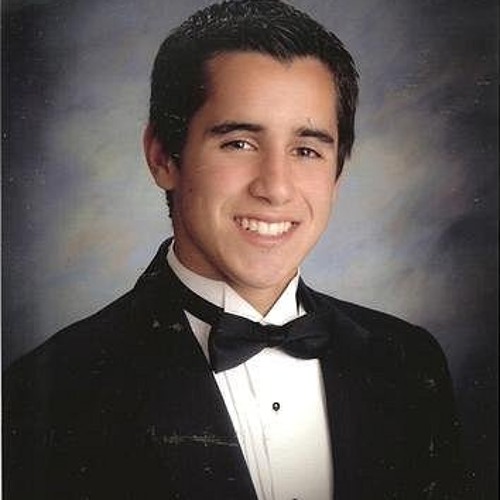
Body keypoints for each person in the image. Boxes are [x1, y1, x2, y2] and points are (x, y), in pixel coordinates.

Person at [3, 0, 465, 498]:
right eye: (239, 143)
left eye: (306, 150)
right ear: (162, 157)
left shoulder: (409, 363)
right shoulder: (53, 391)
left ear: (337, 175)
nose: (276, 188)